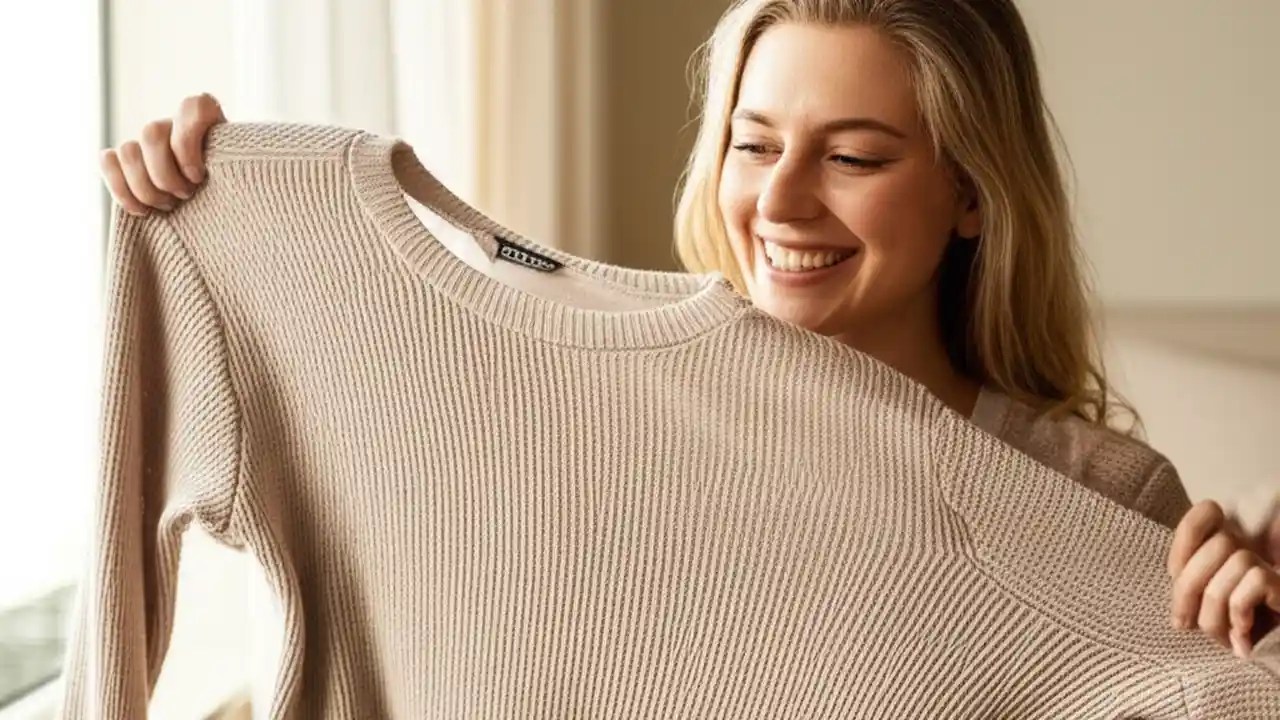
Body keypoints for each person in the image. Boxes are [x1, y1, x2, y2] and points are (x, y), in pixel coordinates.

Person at [98, 0, 1277, 659]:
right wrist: (225, 203)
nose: (779, 201)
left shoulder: (1095, 501)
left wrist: (1261, 655)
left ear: (973, 192)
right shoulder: (545, 396)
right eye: (753, 144)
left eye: (855, 156)